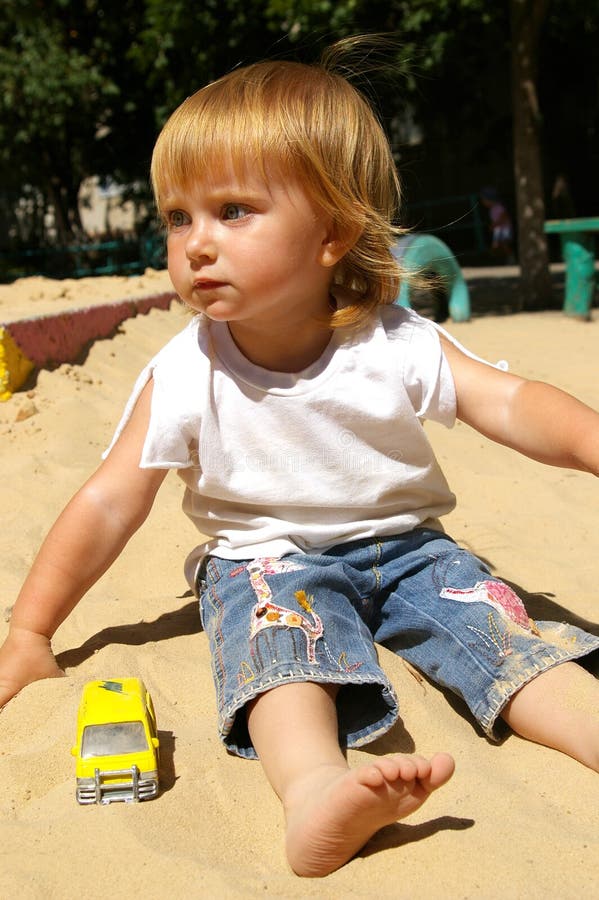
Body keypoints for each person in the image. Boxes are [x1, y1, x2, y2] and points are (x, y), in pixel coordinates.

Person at [1, 48, 598, 879]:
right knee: (282, 657)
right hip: (264, 560)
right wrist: (31, 630)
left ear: (332, 234)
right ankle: (317, 789)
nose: (195, 244)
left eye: (232, 210)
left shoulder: (390, 340)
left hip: (411, 551)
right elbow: (108, 502)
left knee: (503, 635)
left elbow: (507, 401)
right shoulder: (186, 370)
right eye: (178, 217)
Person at [480, 186, 515, 264]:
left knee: (504, 244)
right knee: (496, 245)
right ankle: (501, 259)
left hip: (505, 229)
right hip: (498, 229)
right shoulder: (492, 209)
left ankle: (511, 258)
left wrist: (494, 225)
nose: (483, 202)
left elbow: (504, 217)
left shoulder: (498, 207)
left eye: (484, 199)